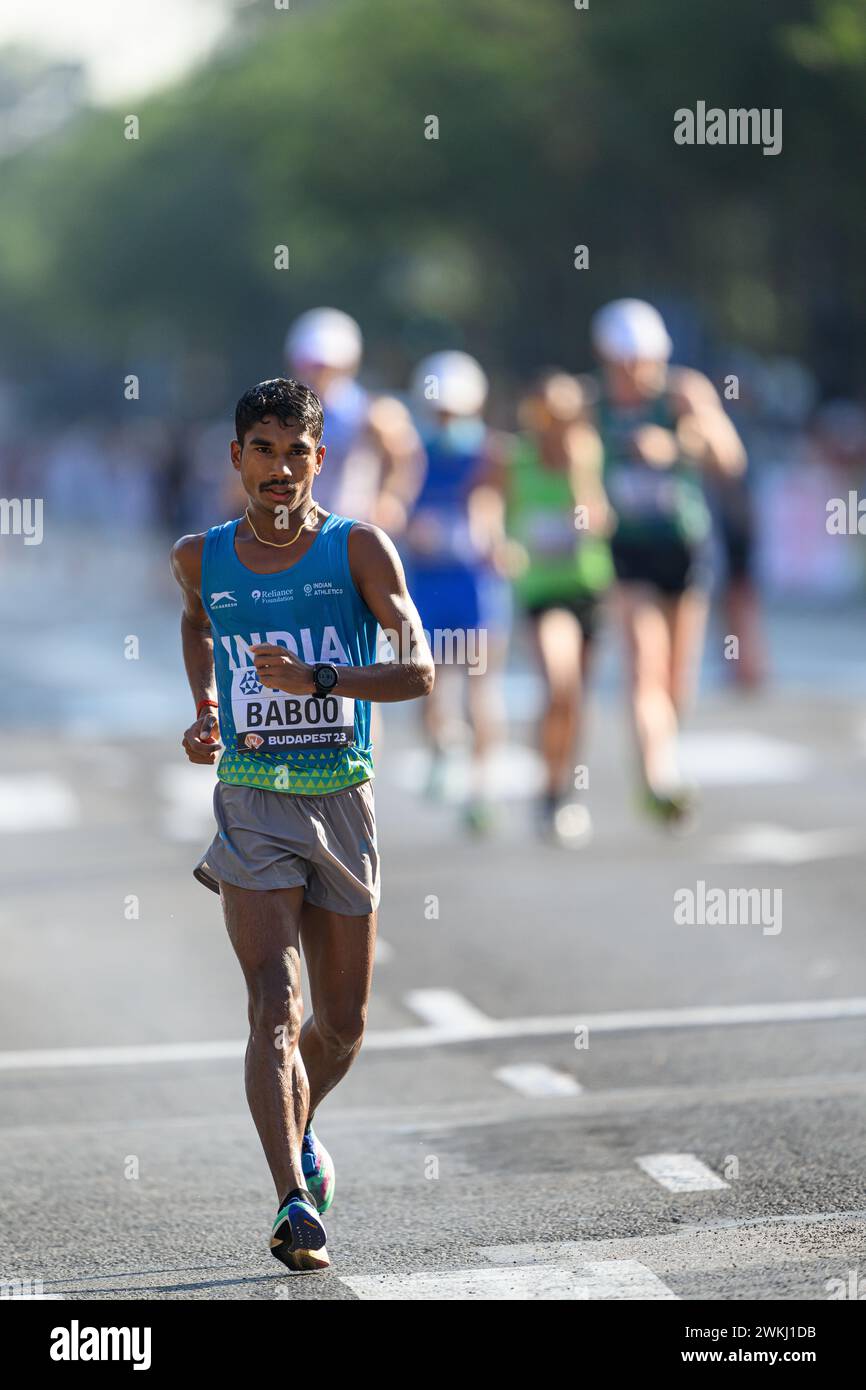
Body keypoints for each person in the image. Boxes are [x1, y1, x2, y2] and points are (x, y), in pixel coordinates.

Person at [170, 378, 434, 1271]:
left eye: (297, 453)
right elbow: (196, 624)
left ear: (320, 459)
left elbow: (419, 671)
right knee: (272, 1006)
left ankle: (302, 1118)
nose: (281, 470)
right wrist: (207, 706)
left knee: (345, 1022)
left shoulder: (359, 549)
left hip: (341, 796)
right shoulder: (199, 556)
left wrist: (319, 682)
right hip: (251, 798)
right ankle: (291, 1202)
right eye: (264, 451)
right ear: (237, 457)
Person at [579, 299, 747, 823]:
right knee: (643, 664)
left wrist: (674, 447)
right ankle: (657, 776)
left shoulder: (681, 394)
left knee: (677, 679)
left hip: (682, 547)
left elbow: (729, 458)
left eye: (643, 360)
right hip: (626, 550)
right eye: (624, 361)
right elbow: (569, 463)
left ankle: (665, 753)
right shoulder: (591, 405)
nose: (634, 372)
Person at [498, 370, 614, 844]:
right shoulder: (514, 459)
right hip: (541, 591)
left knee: (575, 699)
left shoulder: (585, 455)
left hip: (586, 585)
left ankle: (562, 787)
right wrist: (500, 540)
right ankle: (549, 789)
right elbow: (489, 504)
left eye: (564, 415)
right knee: (559, 683)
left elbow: (600, 520)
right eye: (546, 413)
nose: (553, 423)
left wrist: (578, 472)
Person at [403, 350, 511, 832]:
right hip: (426, 586)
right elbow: (394, 506)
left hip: (476, 588)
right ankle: (443, 746)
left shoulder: (492, 453)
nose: (447, 420)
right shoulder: (411, 453)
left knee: (482, 688)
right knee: (429, 683)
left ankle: (482, 787)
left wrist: (500, 540)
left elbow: (504, 510)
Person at [284, 307, 421, 531]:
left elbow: (404, 456)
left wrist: (391, 499)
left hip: (350, 533)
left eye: (327, 367)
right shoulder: (279, 415)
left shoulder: (371, 413)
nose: (318, 375)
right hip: (296, 531)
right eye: (311, 366)